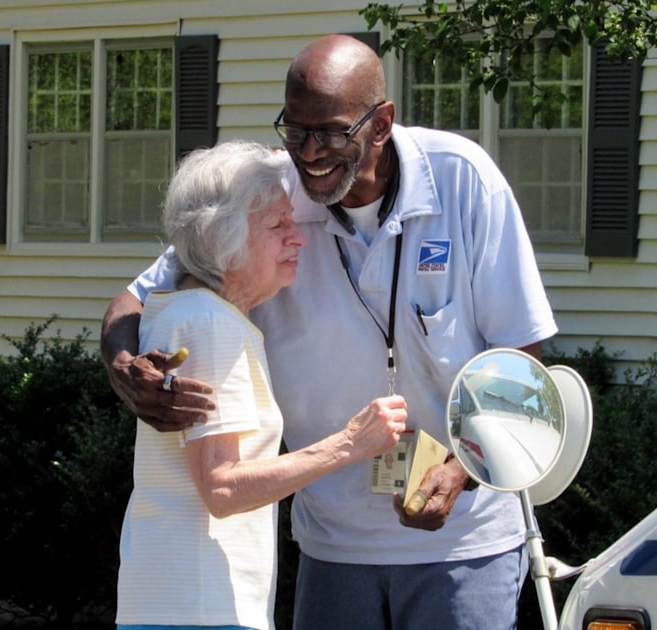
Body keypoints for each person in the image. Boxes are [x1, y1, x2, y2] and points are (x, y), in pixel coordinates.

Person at [101, 35, 558, 630]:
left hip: (463, 544)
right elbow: (139, 297)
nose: (310, 152)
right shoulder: (270, 194)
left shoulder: (463, 180)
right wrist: (123, 365)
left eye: (332, 132)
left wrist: (463, 468)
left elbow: (520, 354)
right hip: (331, 547)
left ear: (382, 122)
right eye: (295, 130)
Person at [115, 139, 408, 630]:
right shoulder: (208, 324)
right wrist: (349, 443)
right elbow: (223, 488)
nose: (299, 238)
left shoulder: (194, 314)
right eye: (277, 225)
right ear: (218, 239)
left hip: (181, 600)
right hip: (201, 608)